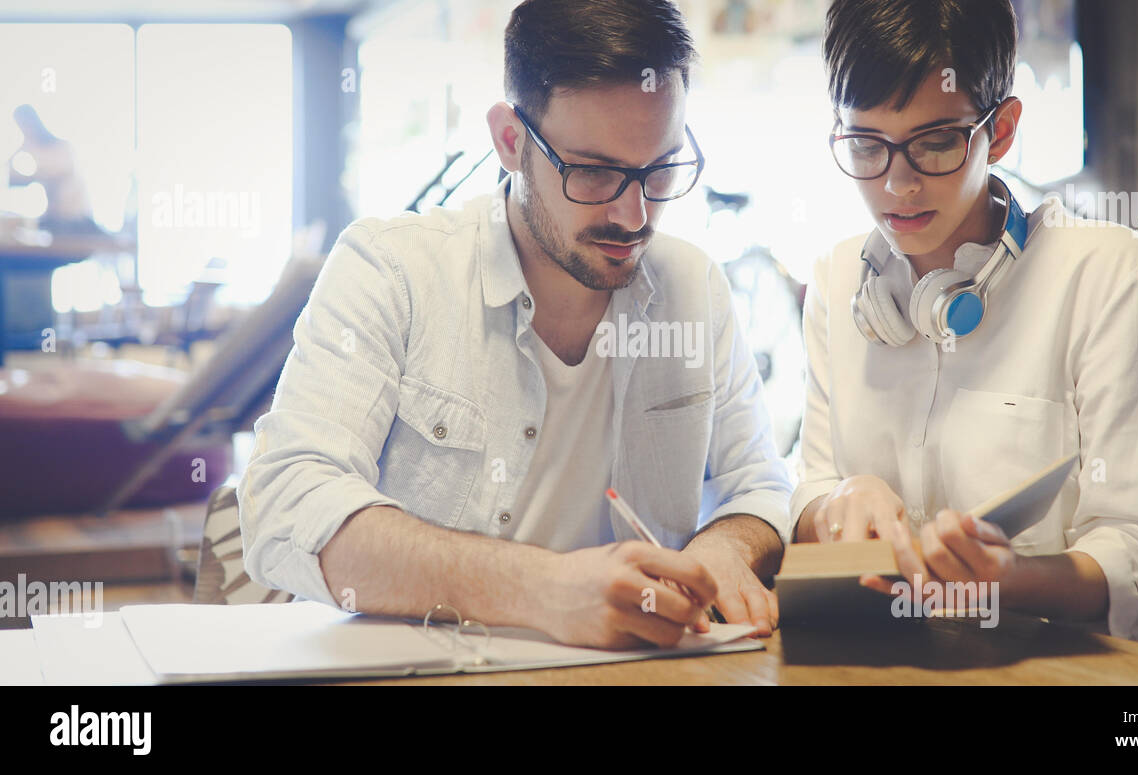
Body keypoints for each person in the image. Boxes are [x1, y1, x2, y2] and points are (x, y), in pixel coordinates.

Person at [238, 0, 793, 650]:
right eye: (594, 171)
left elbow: (759, 481)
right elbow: (284, 507)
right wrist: (543, 588)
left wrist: (728, 544)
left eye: (660, 168)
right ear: (510, 140)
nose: (634, 214)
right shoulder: (391, 270)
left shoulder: (693, 286)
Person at [792, 0, 1138, 651]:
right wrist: (839, 503)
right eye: (866, 145)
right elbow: (809, 489)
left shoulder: (1115, 277)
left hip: (1096, 664)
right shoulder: (839, 278)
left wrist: (1006, 578)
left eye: (934, 144)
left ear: (1002, 130)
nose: (897, 185)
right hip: (912, 658)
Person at [7, 104, 100, 235]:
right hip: (55, 216)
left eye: (24, 124)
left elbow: (58, 175)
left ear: (33, 122)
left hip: (75, 216)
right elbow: (9, 168)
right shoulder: (33, 147)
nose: (24, 130)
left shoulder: (62, 146)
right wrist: (21, 147)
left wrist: (33, 177)